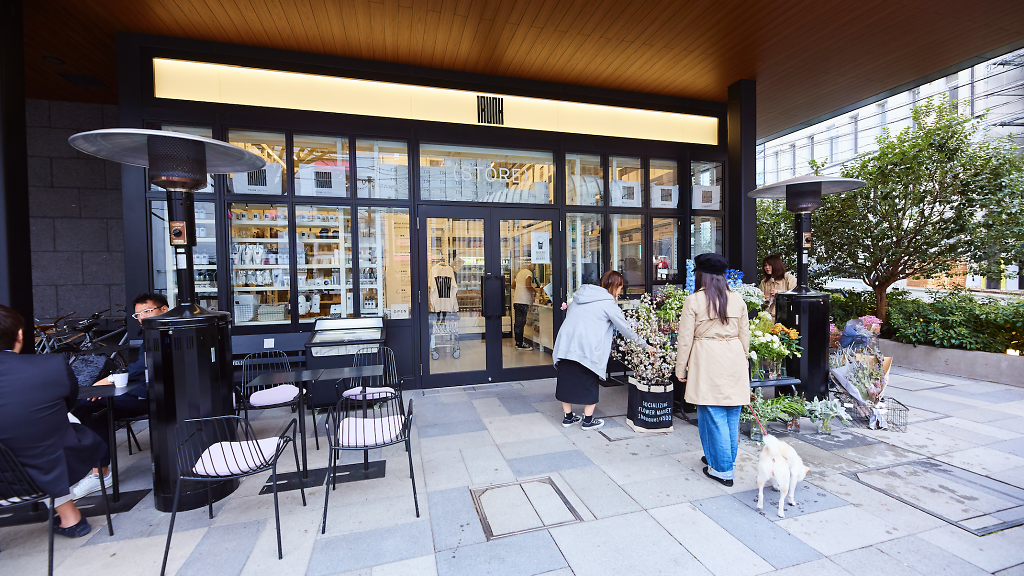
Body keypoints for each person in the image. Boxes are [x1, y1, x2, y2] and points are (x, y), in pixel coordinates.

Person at [0, 304, 108, 538]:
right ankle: (70, 517)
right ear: (19, 335)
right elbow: (68, 404)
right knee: (53, 425)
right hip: (47, 468)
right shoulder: (50, 367)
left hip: (5, 482)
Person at [70, 293, 168, 498]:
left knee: (88, 407)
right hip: (143, 391)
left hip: (159, 397)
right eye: (138, 315)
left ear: (164, 310)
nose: (143, 318)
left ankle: (99, 472)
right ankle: (99, 470)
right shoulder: (149, 334)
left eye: (148, 312)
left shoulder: (167, 333)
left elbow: (144, 366)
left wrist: (110, 379)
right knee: (89, 407)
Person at [675, 253, 751, 487]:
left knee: (712, 413)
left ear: (700, 275)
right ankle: (719, 458)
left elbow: (685, 339)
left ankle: (722, 469)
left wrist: (681, 368)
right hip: (734, 357)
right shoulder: (737, 299)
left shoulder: (694, 301)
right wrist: (743, 359)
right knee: (730, 413)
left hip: (706, 358)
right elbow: (745, 335)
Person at [552, 271, 651, 430]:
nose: (620, 291)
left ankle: (568, 417)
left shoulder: (579, 297)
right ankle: (588, 420)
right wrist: (645, 345)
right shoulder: (608, 303)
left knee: (566, 381)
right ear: (614, 286)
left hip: (566, 345)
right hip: (587, 348)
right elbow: (625, 329)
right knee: (589, 382)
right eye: (620, 288)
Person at [759, 254, 797, 320]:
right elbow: (758, 301)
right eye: (765, 265)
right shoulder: (764, 282)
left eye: (769, 265)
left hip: (785, 317)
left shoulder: (789, 279)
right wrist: (765, 300)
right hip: (767, 318)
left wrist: (779, 293)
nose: (767, 267)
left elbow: (796, 295)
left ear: (776, 265)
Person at [511, 263, 537, 350]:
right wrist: (535, 291)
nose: (534, 267)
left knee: (518, 323)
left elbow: (512, 286)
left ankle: (518, 342)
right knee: (521, 323)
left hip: (517, 300)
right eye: (534, 266)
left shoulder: (519, 273)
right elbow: (528, 285)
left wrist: (519, 291)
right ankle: (520, 344)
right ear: (530, 265)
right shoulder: (528, 273)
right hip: (523, 301)